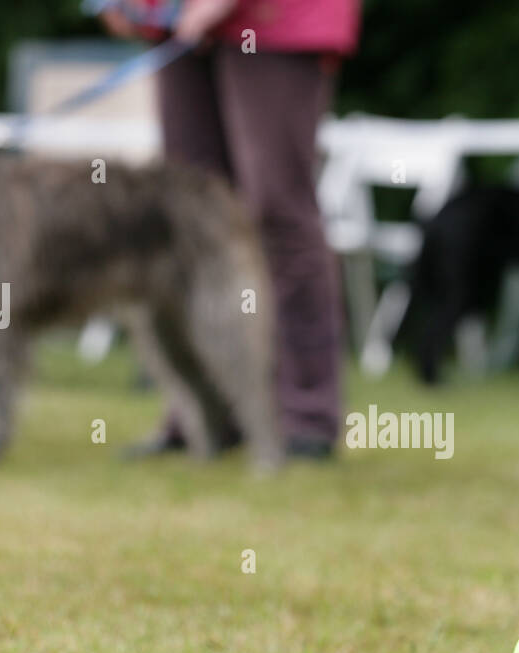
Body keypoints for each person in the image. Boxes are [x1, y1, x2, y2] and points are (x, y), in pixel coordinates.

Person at [103, 0, 361, 460]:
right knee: (188, 222)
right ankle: (204, 414)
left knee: (278, 212)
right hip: (177, 21)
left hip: (280, 18)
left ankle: (305, 416)